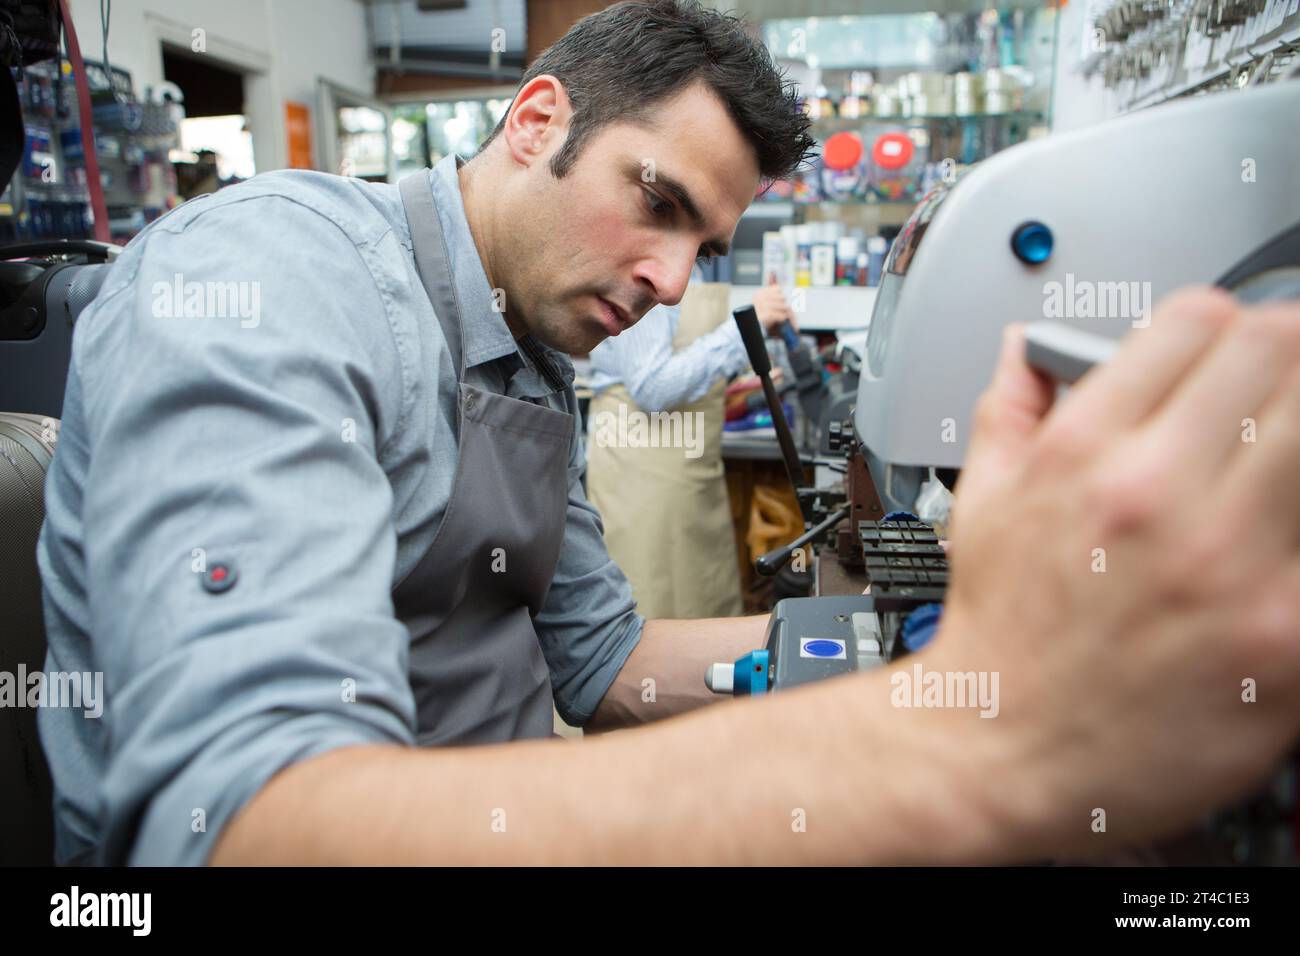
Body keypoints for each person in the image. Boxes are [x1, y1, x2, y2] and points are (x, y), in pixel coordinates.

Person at [36, 0, 1300, 866]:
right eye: (657, 202)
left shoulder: (527, 350)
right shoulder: (271, 275)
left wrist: (916, 648)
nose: (666, 273)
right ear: (533, 122)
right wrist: (985, 736)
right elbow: (239, 824)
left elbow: (608, 660)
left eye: (702, 244)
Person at [586, 277, 795, 619]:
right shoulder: (648, 266)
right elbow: (654, 386)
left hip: (689, 474)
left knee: (701, 602)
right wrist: (743, 328)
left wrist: (758, 334)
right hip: (643, 475)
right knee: (652, 608)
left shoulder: (691, 266)